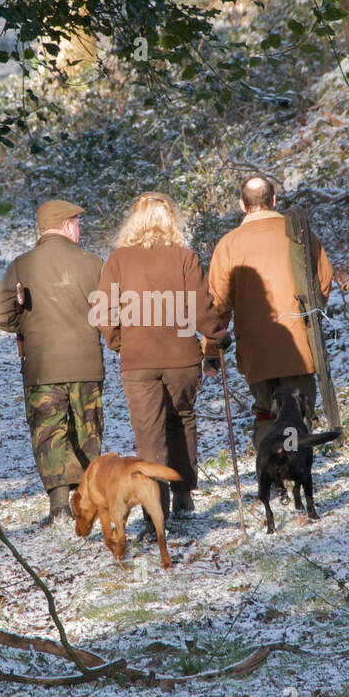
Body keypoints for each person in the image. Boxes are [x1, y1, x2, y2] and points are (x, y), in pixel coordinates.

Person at [90, 193, 224, 530]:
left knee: (148, 435)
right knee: (181, 421)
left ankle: (154, 510)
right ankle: (182, 494)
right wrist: (216, 340)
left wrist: (122, 342)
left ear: (133, 221)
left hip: (138, 362)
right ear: (171, 221)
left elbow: (103, 312)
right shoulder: (184, 257)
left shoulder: (118, 260)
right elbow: (202, 309)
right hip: (182, 358)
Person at [0, 200, 104, 526]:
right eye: (78, 222)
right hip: (86, 366)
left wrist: (24, 325)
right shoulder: (94, 263)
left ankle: (59, 508)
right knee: (87, 431)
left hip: (41, 367)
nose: (80, 228)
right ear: (66, 225)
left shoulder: (22, 266)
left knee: (48, 431)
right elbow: (112, 312)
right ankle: (87, 503)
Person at [202, 174, 332, 468]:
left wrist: (211, 351)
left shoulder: (228, 245)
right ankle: (295, 474)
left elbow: (217, 305)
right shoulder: (298, 233)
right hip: (299, 343)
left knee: (265, 412)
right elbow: (323, 282)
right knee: (297, 413)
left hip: (256, 349)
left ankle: (271, 477)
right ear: (273, 200)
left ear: (241, 205)